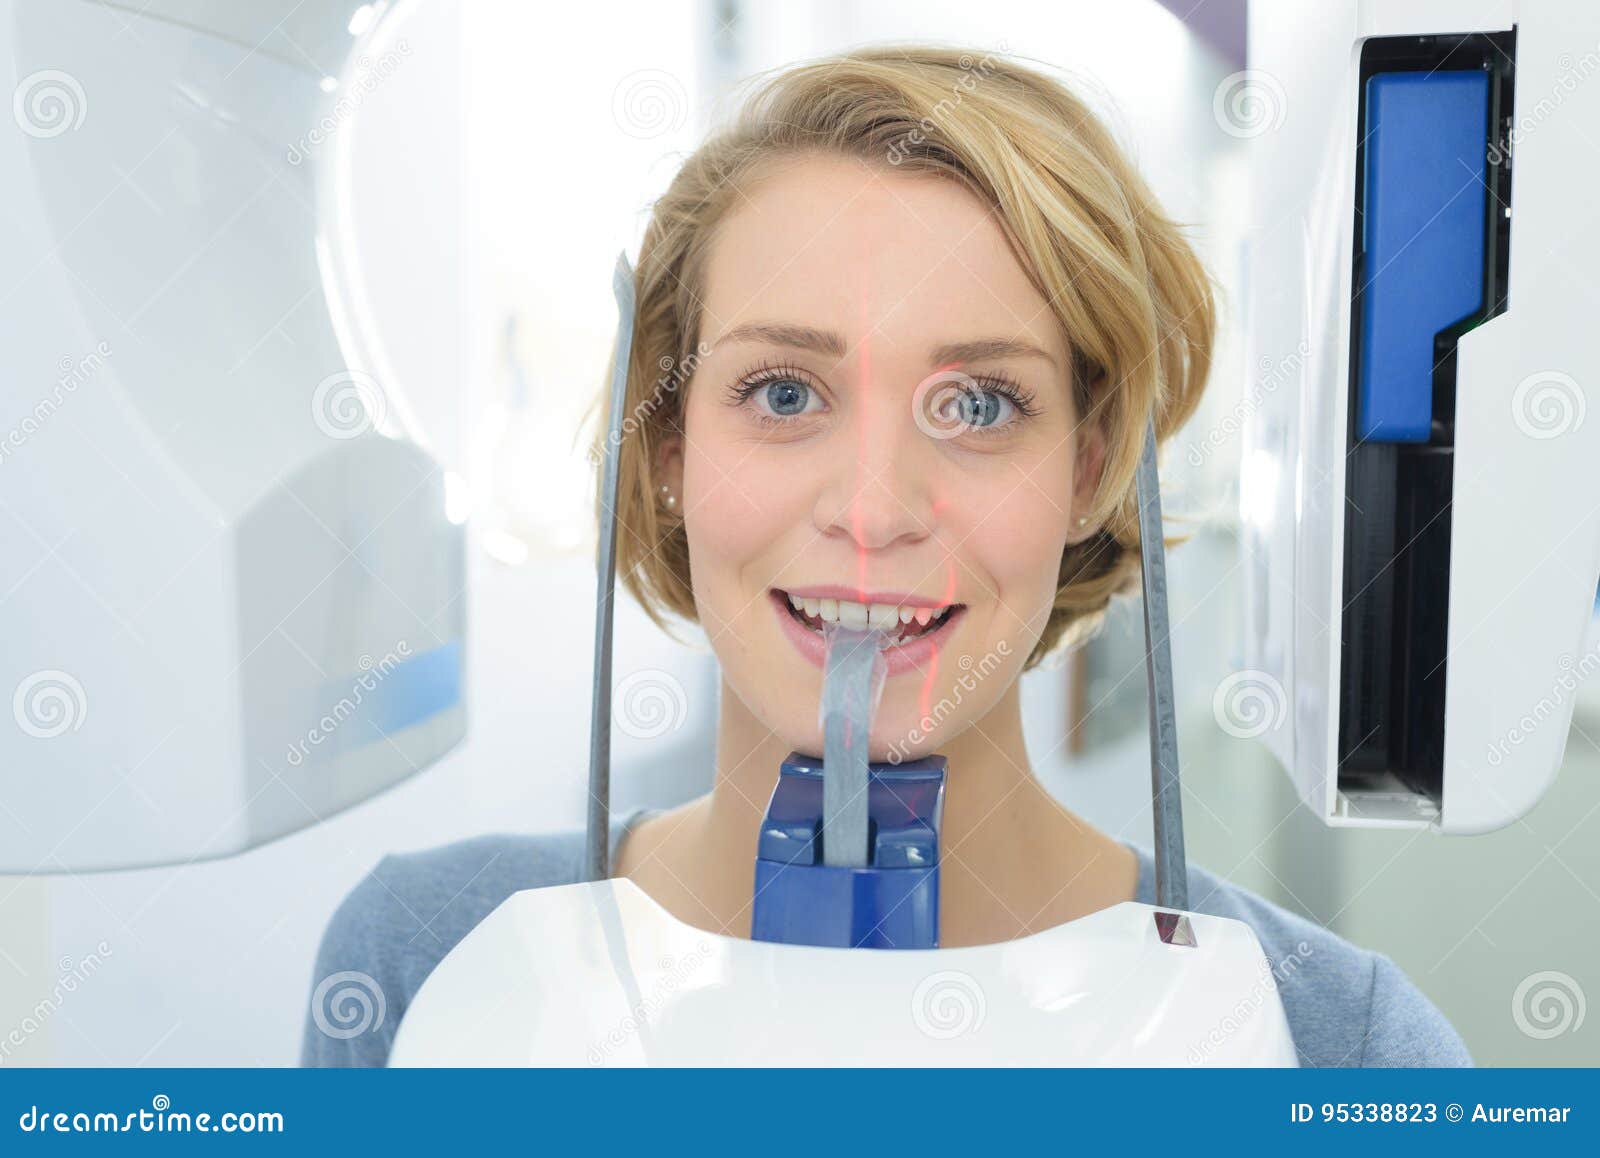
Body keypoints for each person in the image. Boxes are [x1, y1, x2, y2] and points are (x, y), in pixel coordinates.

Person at [302, 45, 1470, 1067]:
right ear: (664, 446)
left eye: (977, 404)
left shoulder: (1338, 1049)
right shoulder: (422, 958)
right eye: (783, 390)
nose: (872, 510)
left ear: (1088, 468)